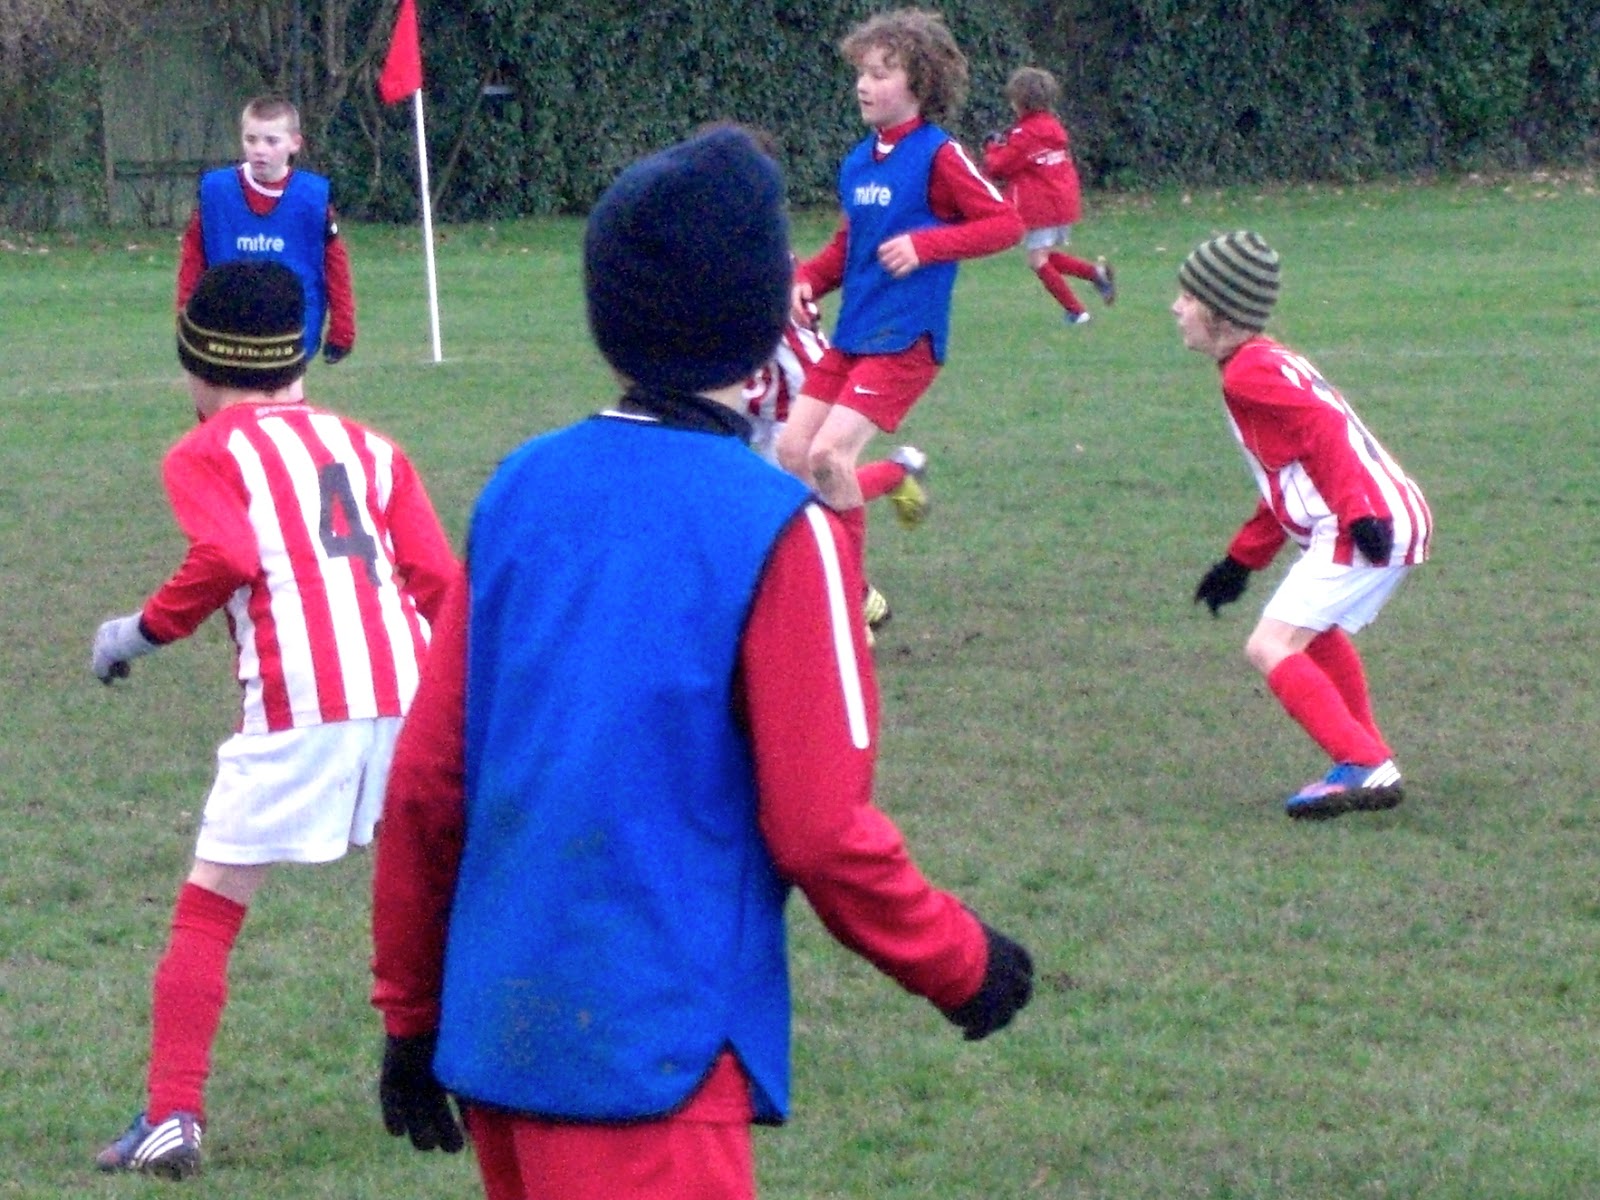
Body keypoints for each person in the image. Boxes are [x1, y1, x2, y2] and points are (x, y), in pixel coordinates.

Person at [370, 126, 1034, 1200]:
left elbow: (427, 785)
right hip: (651, 1050)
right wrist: (961, 963)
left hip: (504, 1027)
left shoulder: (520, 487)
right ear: (765, 313)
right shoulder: (778, 525)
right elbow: (822, 829)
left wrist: (411, 1013)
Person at [91, 259, 455, 1177]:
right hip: (410, 693)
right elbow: (442, 585)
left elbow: (227, 553)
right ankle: (492, 1068)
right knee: (452, 892)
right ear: (295, 363)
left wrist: (133, 635)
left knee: (210, 904)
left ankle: (172, 1115)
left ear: (201, 370)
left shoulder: (203, 450)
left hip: (304, 705)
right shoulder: (372, 448)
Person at [1175, 231, 1433, 820]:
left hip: (1365, 518)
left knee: (1269, 645)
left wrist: (1359, 512)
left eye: (1186, 297)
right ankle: (1369, 756)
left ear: (1217, 310)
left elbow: (1325, 432)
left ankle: (1363, 763)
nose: (1176, 309)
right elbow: (1289, 474)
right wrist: (1241, 562)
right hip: (1373, 512)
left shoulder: (1249, 374)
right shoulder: (1260, 361)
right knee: (1309, 633)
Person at [777, 7, 1023, 611]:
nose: (865, 84)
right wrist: (806, 280)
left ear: (919, 85)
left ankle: (852, 601)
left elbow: (1007, 223)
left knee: (829, 456)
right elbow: (847, 247)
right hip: (853, 336)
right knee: (791, 454)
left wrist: (927, 245)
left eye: (882, 73)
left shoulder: (939, 154)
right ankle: (881, 504)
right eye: (862, 71)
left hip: (906, 341)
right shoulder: (858, 161)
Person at [742, 292, 928, 639]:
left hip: (796, 392)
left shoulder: (751, 251)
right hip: (753, 395)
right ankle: (897, 471)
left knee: (805, 507)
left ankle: (853, 601)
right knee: (795, 502)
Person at [176, 95, 357, 363]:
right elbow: (193, 257)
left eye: (271, 141)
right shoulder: (216, 192)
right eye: (251, 140)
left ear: (295, 143)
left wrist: (342, 329)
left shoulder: (311, 197)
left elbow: (334, 264)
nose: (260, 150)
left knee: (281, 399)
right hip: (227, 326)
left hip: (290, 328)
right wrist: (185, 314)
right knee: (226, 400)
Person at [981, 66, 1116, 327]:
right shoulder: (1052, 127)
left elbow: (999, 167)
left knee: (1037, 260)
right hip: (1062, 201)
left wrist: (992, 146)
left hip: (1041, 204)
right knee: (1043, 255)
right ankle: (1095, 274)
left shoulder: (1025, 134)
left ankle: (1077, 312)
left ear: (1019, 101)